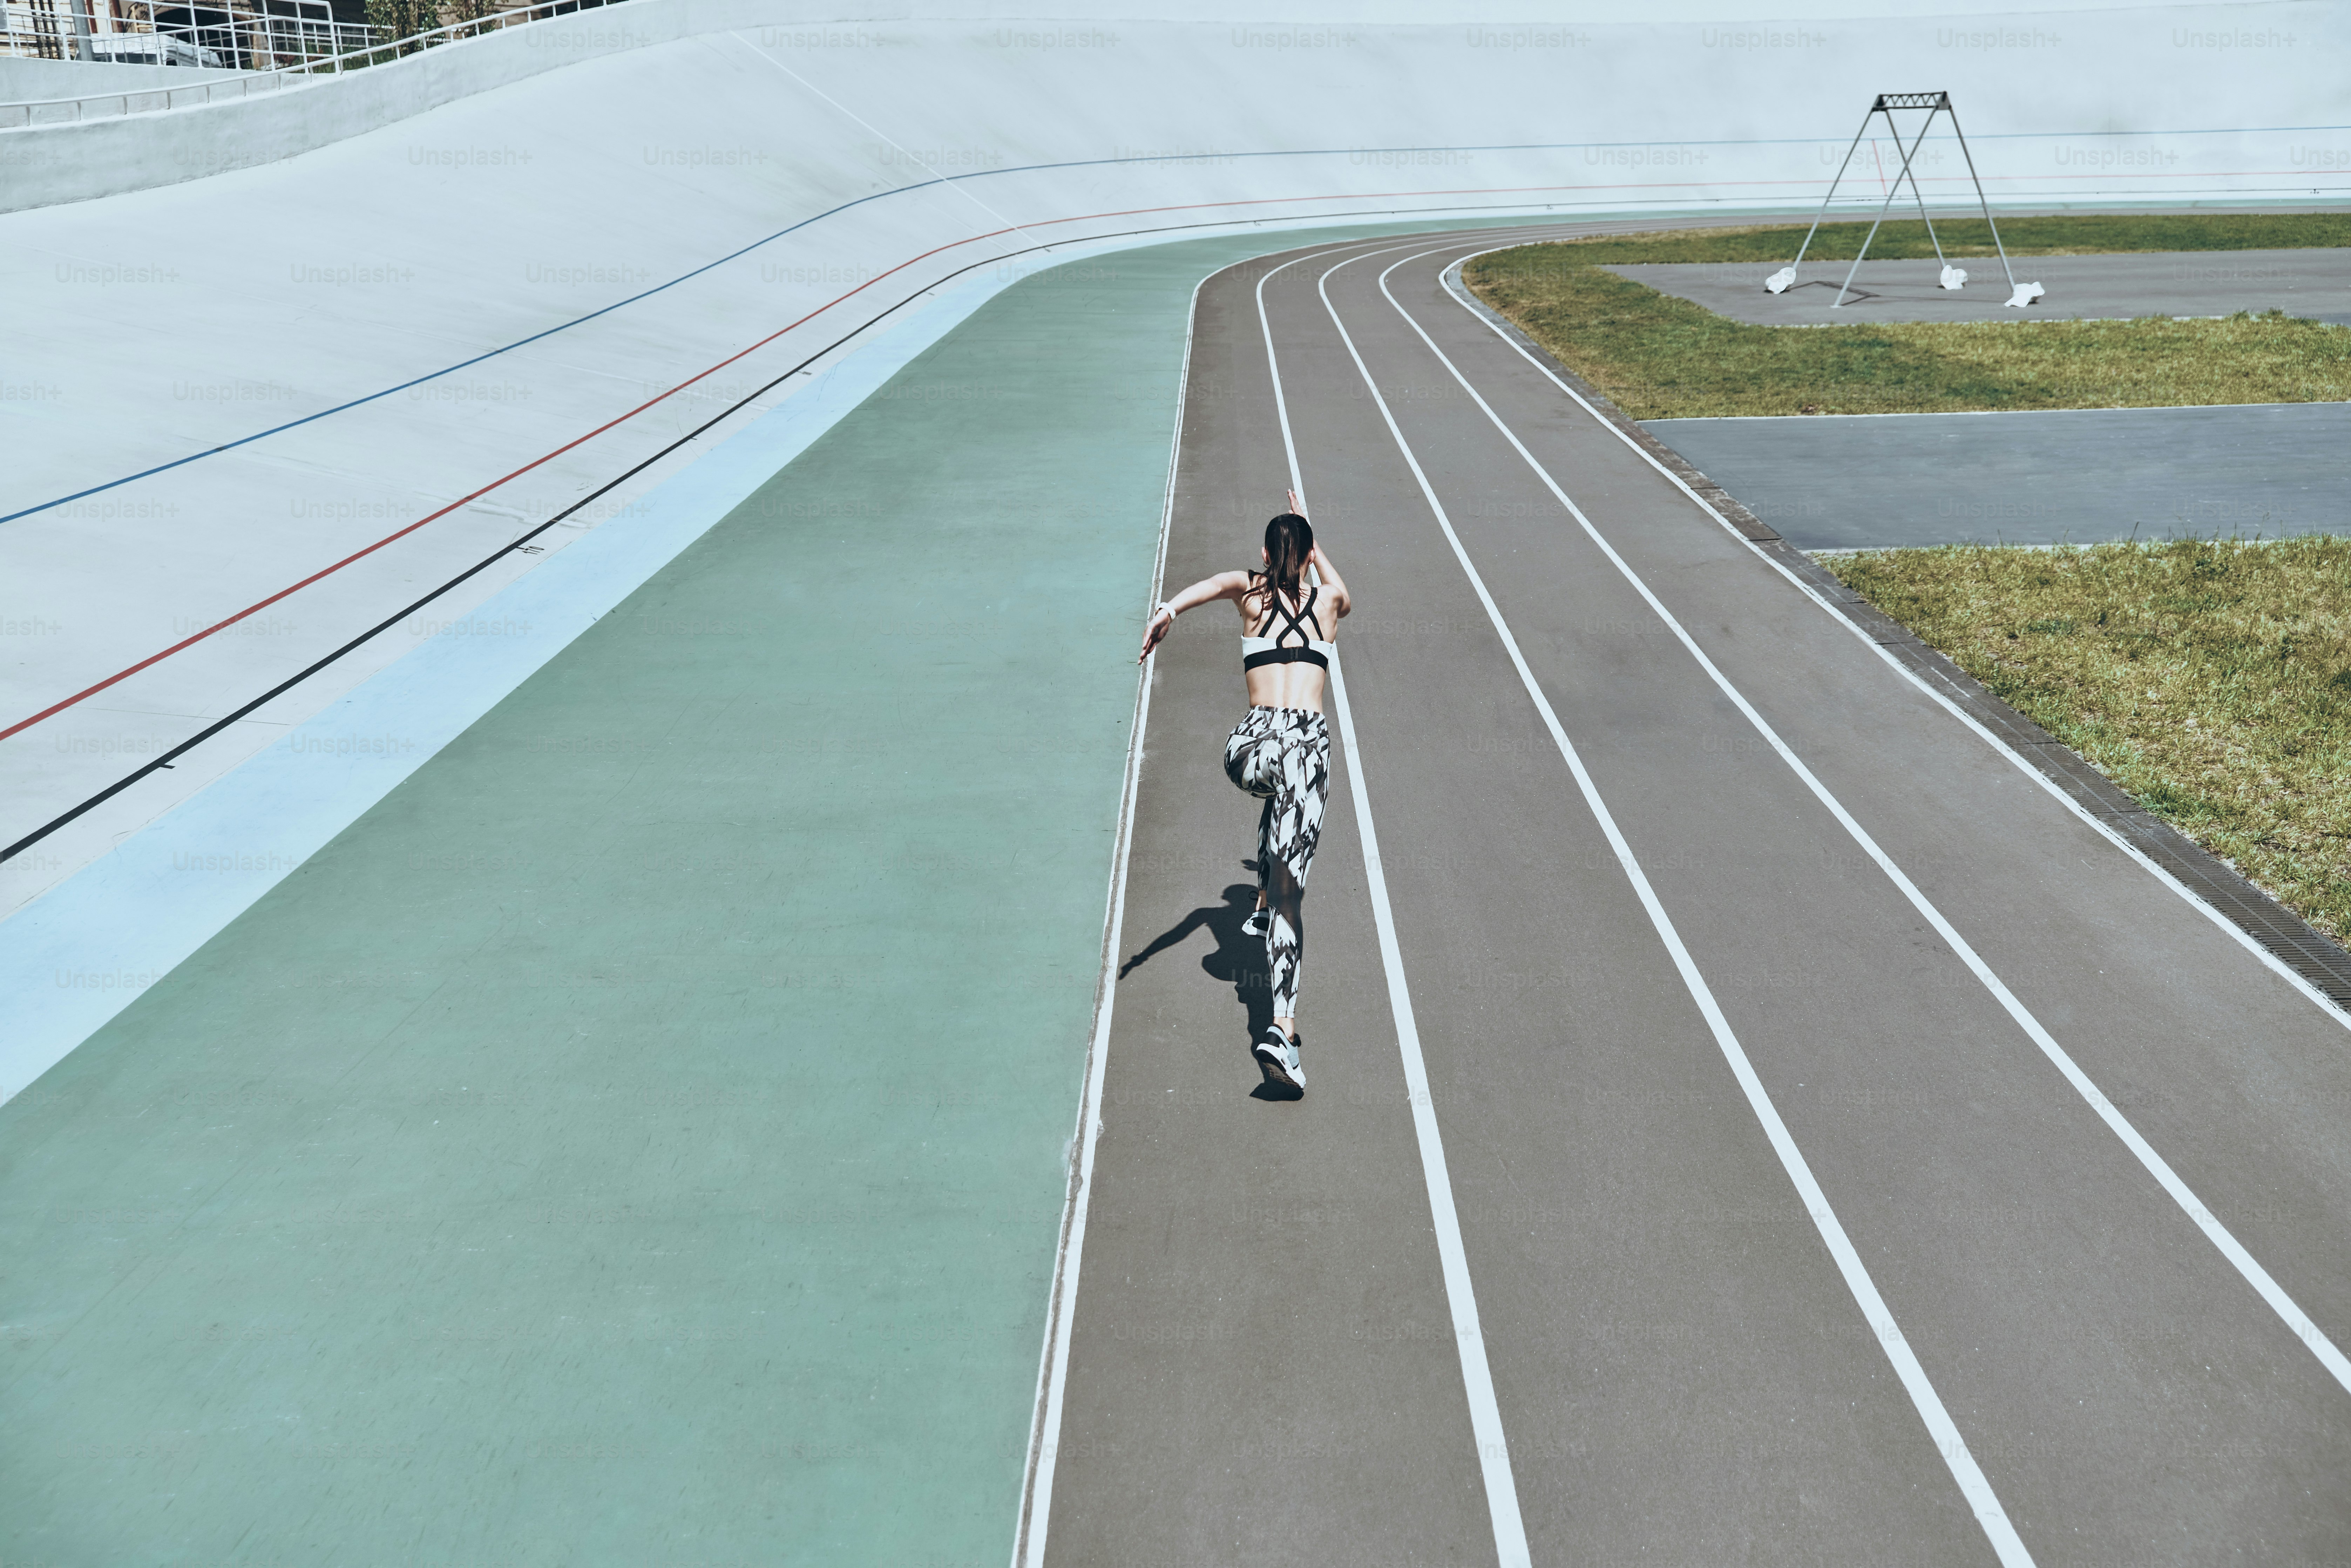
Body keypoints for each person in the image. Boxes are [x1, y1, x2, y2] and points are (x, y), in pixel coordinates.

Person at [1138, 510, 1350, 1094]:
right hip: (1306, 748)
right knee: (1289, 900)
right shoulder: (1329, 602)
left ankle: (1259, 901)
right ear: (1309, 557)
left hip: (1251, 748)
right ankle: (1281, 1026)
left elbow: (1208, 587)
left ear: (1263, 554)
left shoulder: (1250, 591)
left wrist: (1167, 612)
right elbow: (1345, 593)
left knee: (1273, 797)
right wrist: (1314, 540)